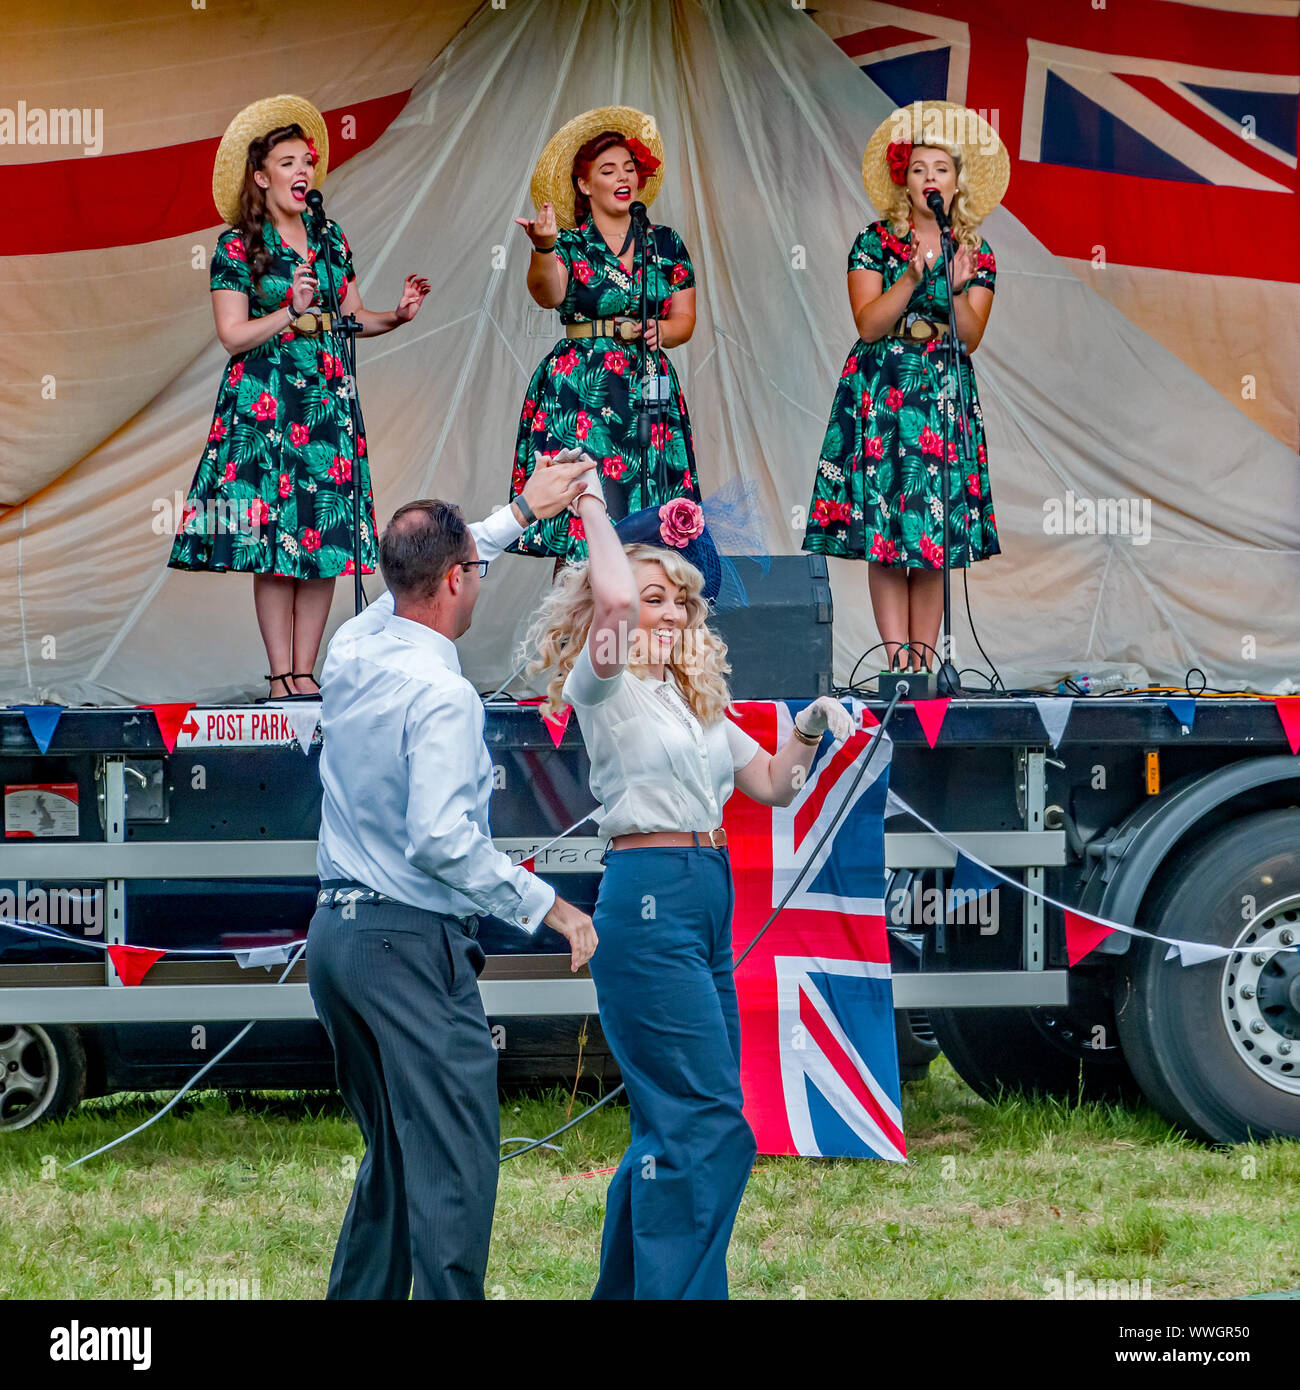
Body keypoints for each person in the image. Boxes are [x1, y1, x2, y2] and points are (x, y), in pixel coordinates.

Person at [522, 475, 854, 1299]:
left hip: (705, 896)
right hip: (649, 895)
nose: (668, 614)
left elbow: (774, 784)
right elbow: (612, 606)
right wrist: (593, 506)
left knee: (670, 1127)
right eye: (653, 598)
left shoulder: (692, 698)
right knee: (710, 1127)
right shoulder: (601, 683)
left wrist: (810, 729)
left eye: (679, 601)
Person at [306, 451, 599, 1301]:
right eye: (473, 568)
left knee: (396, 1162)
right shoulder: (442, 695)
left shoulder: (352, 649)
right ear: (457, 584)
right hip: (406, 944)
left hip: (337, 942)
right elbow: (441, 841)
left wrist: (518, 513)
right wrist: (549, 906)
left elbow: (437, 559)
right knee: (457, 1167)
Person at [168, 94, 431, 699]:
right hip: (266, 400)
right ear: (261, 178)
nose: (302, 172)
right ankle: (279, 673)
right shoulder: (236, 246)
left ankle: (306, 673)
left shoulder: (330, 237)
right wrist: (288, 313)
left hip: (325, 397)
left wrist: (398, 316)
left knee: (323, 540)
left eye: (306, 162)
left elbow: (352, 316)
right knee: (275, 542)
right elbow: (233, 336)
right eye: (287, 163)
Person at [802, 100, 1009, 673]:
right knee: (888, 532)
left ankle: (925, 665)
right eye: (918, 169)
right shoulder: (873, 242)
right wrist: (916, 274)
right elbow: (868, 324)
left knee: (932, 533)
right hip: (885, 385)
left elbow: (968, 337)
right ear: (904, 180)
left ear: (956, 182)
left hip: (942, 386)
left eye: (940, 169)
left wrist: (956, 286)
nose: (929, 179)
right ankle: (899, 664)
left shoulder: (976, 250)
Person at [509, 105, 702, 569]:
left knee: (647, 525)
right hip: (581, 386)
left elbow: (685, 320)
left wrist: (662, 330)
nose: (623, 177)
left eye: (630, 168)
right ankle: (570, 638)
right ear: (583, 184)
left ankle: (640, 637)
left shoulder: (666, 242)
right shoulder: (571, 243)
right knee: (583, 522)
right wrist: (544, 247)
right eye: (608, 169)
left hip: (647, 384)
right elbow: (548, 293)